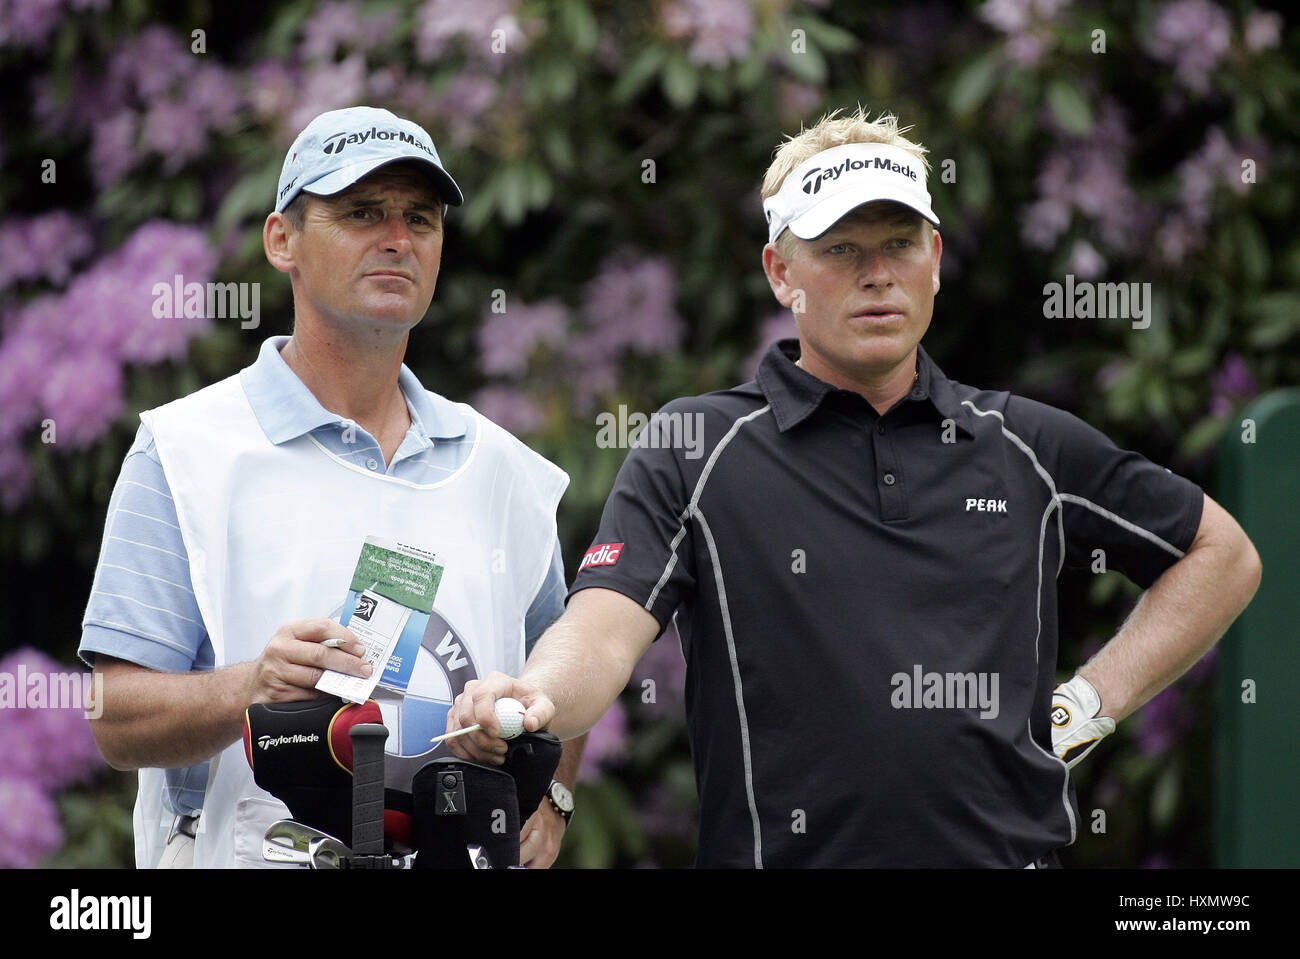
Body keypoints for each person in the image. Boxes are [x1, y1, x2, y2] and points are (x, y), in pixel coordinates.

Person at [445, 108, 1262, 867]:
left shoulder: (1026, 443)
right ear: (780, 272)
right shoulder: (696, 449)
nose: (878, 274)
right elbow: (602, 629)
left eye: (900, 244)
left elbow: (1220, 552)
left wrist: (1086, 705)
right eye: (840, 248)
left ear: (935, 261)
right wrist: (537, 695)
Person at [81, 106, 582, 869]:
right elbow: (114, 718)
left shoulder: (504, 469)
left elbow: (567, 671)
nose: (397, 238)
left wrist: (553, 799)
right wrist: (250, 686)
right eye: (361, 212)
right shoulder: (183, 451)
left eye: (421, 217)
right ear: (282, 240)